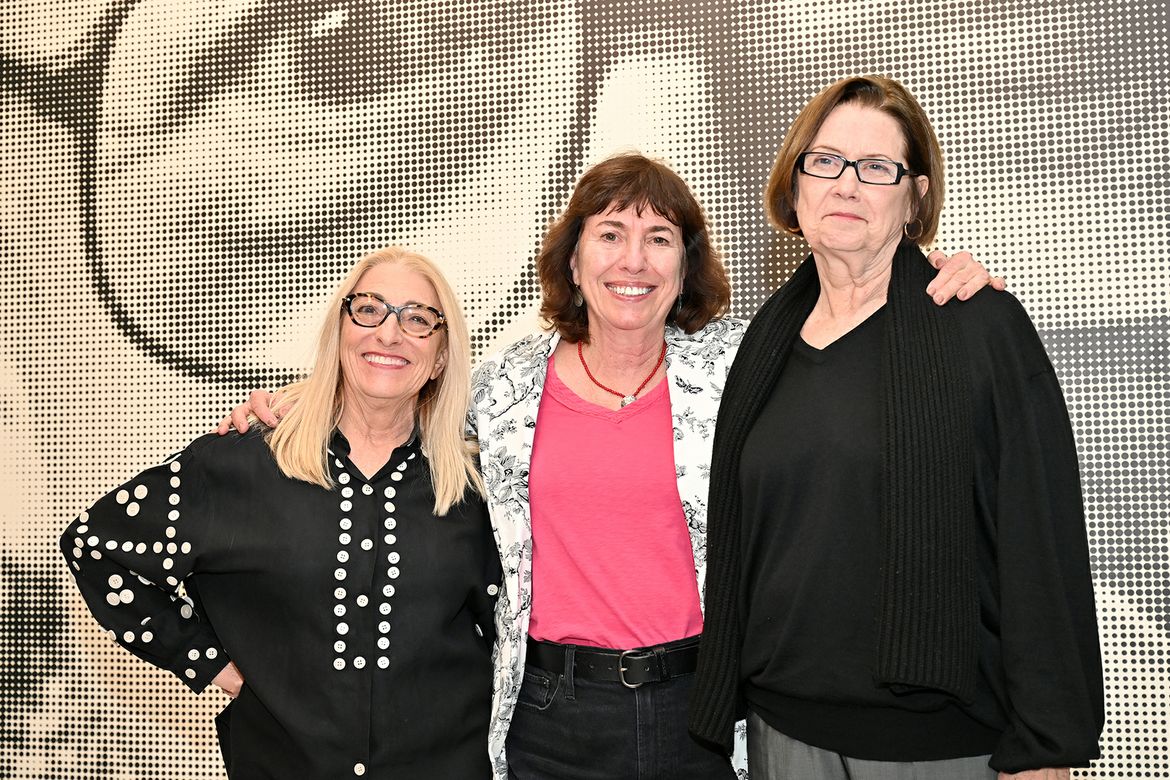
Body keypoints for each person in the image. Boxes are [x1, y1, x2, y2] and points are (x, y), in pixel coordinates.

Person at [226, 154, 1001, 779]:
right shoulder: (505, 386)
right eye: (610, 234)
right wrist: (301, 396)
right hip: (550, 715)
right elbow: (400, 398)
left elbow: (852, 343)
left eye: (660, 238)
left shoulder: (742, 366)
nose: (634, 259)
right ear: (573, 259)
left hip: (704, 710)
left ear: (685, 265)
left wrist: (937, 285)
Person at [689, 76, 1104, 779]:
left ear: (914, 198)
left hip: (938, 746)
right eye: (825, 161)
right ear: (795, 186)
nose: (846, 184)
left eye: (877, 167)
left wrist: (1047, 747)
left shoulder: (979, 326)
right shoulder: (763, 345)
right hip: (782, 733)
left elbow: (1040, 541)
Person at [61, 247, 501, 779]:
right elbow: (93, 545)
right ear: (339, 331)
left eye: (418, 319)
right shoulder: (240, 464)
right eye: (369, 309)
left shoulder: (482, 488)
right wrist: (210, 663)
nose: (389, 333)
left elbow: (517, 630)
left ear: (440, 358)